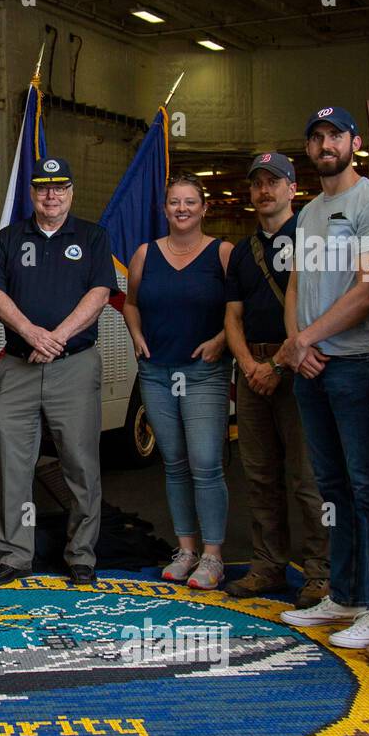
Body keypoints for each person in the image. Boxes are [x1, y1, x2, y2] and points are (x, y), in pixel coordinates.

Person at [276, 105, 369, 648]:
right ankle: (346, 593)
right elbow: (299, 284)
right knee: (334, 488)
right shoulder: (308, 213)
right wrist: (296, 343)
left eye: (335, 135)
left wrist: (310, 338)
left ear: (354, 142)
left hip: (357, 364)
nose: (326, 144)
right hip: (313, 367)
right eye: (317, 137)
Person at [0, 157, 117, 586]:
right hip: (19, 366)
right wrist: (31, 333)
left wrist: (55, 337)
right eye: (43, 188)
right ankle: (15, 556)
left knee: (79, 463)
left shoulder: (93, 237)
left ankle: (81, 556)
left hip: (73, 366)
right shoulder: (9, 238)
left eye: (60, 187)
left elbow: (100, 293)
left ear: (71, 192)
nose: (51, 195)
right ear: (32, 193)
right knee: (14, 466)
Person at [222, 152, 329, 607]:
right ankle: (268, 565)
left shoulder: (312, 237)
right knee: (260, 475)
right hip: (253, 370)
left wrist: (280, 365)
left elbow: (323, 308)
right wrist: (249, 366)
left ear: (292, 189)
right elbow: (232, 317)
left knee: (308, 478)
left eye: (274, 182)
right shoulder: (243, 252)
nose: (264, 191)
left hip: (300, 367)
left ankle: (322, 572)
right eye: (257, 184)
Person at [123, 173, 233, 590]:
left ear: (204, 208)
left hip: (204, 373)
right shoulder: (144, 255)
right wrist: (136, 336)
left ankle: (213, 555)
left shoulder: (222, 254)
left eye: (190, 202)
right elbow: (130, 304)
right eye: (174, 202)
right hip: (156, 373)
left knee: (205, 464)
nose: (182, 209)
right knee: (174, 464)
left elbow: (237, 311)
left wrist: (221, 340)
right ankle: (186, 549)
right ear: (164, 209)